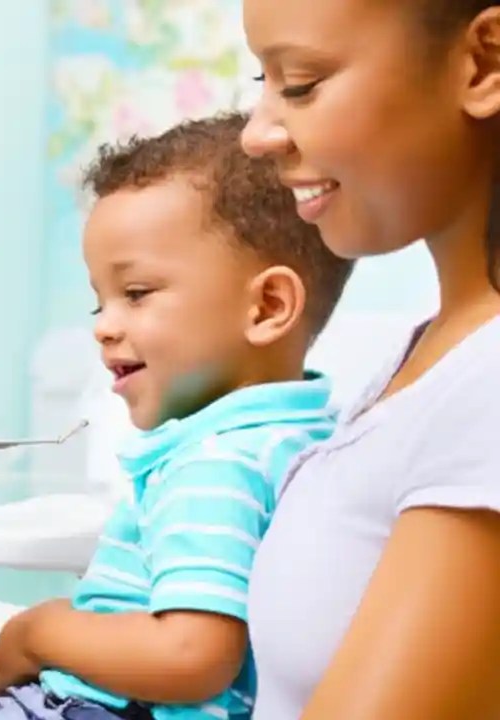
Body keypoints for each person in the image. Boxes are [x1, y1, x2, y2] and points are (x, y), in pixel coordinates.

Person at [0, 114, 353, 720]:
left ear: (268, 306)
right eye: (101, 300)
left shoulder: (216, 462)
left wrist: (38, 631)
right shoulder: (307, 438)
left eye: (137, 293)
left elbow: (192, 653)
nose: (103, 324)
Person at [236, 1, 500, 717]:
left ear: (485, 61)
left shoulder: (488, 385)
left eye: (299, 84)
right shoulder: (428, 356)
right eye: (260, 80)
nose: (257, 134)